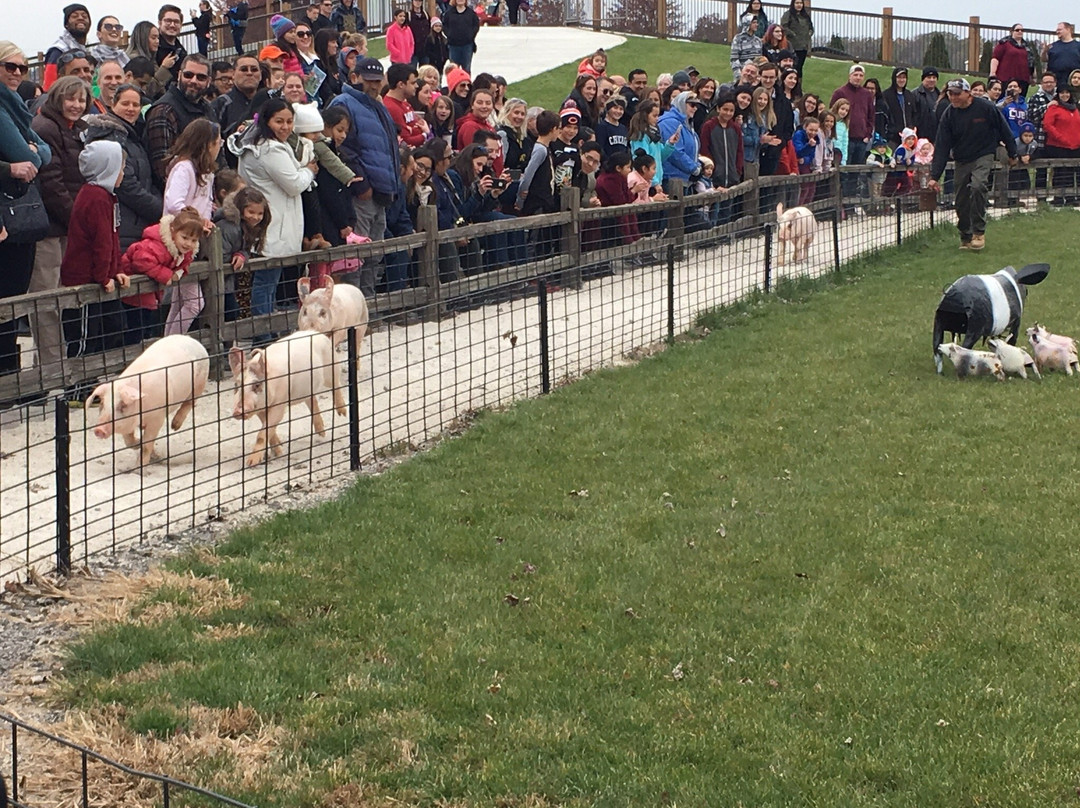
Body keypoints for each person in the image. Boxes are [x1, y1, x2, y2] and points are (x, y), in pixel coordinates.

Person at [233, 98, 317, 317]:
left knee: (270, 281)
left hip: (274, 221)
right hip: (272, 223)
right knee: (265, 281)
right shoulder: (269, 149)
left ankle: (266, 328)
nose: (285, 127)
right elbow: (294, 184)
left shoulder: (265, 144)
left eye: (289, 121)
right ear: (266, 121)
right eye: (279, 121)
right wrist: (309, 171)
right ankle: (262, 331)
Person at [30, 75, 90, 371]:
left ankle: (59, 363)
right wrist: (77, 220)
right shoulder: (45, 127)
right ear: (57, 98)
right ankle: (51, 369)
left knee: (65, 298)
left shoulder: (79, 129)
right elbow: (51, 183)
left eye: (81, 99)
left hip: (69, 225)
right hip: (50, 228)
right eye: (71, 98)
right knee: (46, 300)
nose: (77, 105)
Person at [0, 41, 51, 376]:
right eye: (9, 66)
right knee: (6, 301)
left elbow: (40, 152)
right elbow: (30, 154)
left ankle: (9, 381)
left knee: (13, 300)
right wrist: (26, 156)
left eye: (22, 67)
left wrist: (33, 152)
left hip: (19, 217)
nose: (17, 73)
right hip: (7, 217)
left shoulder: (15, 105)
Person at [330, 57, 401, 295]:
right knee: (356, 257)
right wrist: (361, 183)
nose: (374, 85)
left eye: (378, 81)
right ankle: (353, 307)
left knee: (374, 254)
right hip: (362, 191)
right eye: (369, 80)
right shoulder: (345, 102)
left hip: (382, 191)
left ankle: (369, 306)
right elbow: (342, 146)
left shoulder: (377, 105)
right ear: (354, 78)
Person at [927, 79, 1017, 251]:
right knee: (961, 199)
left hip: (984, 154)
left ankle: (978, 231)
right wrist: (934, 176)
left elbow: (1004, 129)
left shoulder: (985, 108)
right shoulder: (949, 115)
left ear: (968, 93)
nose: (953, 97)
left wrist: (1012, 153)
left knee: (977, 186)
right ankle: (965, 235)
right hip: (962, 158)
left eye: (957, 93)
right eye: (950, 94)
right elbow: (942, 146)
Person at [60, 139, 130, 353]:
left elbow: (112, 237)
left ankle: (92, 381)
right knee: (84, 338)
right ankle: (78, 385)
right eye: (121, 168)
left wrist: (116, 269)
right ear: (108, 169)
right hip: (85, 277)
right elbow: (101, 241)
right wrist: (103, 275)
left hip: (99, 275)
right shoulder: (96, 198)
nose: (123, 174)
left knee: (112, 328)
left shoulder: (107, 197)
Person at [162, 118, 220, 333]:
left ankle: (168, 344)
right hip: (181, 241)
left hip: (195, 242)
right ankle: (172, 348)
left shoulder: (206, 172)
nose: (220, 144)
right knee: (195, 303)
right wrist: (197, 220)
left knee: (180, 301)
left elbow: (203, 201)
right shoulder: (184, 168)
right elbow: (174, 202)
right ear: (207, 144)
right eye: (217, 140)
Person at [119, 208, 203, 334]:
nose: (188, 243)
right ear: (173, 231)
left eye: (193, 240)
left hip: (149, 292)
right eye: (184, 237)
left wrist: (180, 272)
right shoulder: (158, 246)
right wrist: (167, 275)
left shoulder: (181, 251)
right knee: (137, 329)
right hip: (133, 290)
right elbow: (141, 260)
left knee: (146, 328)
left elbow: (184, 263)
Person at [146, 54, 216, 188]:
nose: (194, 81)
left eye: (201, 77)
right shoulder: (163, 111)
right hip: (180, 196)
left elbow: (218, 157)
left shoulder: (209, 109)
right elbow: (162, 167)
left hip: (207, 190)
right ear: (179, 75)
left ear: (208, 81)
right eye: (188, 75)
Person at [831, 64, 875, 212]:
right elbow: (832, 114)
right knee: (844, 171)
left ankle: (851, 204)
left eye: (861, 75)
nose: (858, 78)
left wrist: (868, 134)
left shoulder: (866, 94)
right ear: (850, 75)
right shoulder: (840, 92)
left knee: (856, 173)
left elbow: (871, 116)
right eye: (855, 75)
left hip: (861, 139)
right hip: (844, 139)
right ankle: (841, 204)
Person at [1043, 85, 1080, 205]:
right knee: (1060, 172)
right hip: (1058, 145)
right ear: (1058, 94)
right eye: (1062, 93)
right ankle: (1058, 197)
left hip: (1075, 145)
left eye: (1067, 93)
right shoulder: (1054, 108)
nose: (1065, 95)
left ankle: (1072, 197)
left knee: (1073, 171)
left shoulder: (1075, 109)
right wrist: (1060, 137)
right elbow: (1048, 125)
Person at [43, 3, 91, 89]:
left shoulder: (85, 50)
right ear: (66, 24)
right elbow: (49, 85)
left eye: (84, 16)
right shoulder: (58, 50)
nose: (80, 18)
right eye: (74, 16)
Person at [383, 63, 428, 146]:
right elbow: (406, 141)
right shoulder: (391, 108)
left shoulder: (404, 102)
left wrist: (415, 131)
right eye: (413, 83)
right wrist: (425, 134)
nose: (417, 86)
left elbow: (418, 125)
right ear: (401, 84)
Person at [990, 23, 1034, 97]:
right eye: (1017, 30)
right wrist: (993, 73)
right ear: (1012, 32)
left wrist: (1032, 77)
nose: (1020, 31)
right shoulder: (1004, 43)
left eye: (1022, 30)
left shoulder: (1027, 46)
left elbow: (1031, 62)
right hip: (1005, 78)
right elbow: (995, 58)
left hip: (1023, 79)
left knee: (1020, 99)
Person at [444, 0, 480, 73]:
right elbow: (444, 26)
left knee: (466, 69)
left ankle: (466, 84)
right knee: (453, 70)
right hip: (453, 45)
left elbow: (476, 25)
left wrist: (471, 35)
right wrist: (449, 34)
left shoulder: (471, 13)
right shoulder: (449, 13)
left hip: (467, 45)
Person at [156, 5, 189, 83]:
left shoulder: (182, 52)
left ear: (181, 25)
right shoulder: (152, 48)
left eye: (176, 22)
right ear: (160, 23)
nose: (172, 25)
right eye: (168, 21)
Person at [780, 0, 813, 75]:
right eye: (797, 3)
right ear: (793, 4)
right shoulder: (788, 14)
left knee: (800, 68)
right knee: (792, 67)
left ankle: (798, 85)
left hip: (803, 46)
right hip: (792, 46)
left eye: (801, 3)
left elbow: (811, 27)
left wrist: (809, 33)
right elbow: (784, 27)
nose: (799, 5)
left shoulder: (805, 16)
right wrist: (792, 34)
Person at [1045, 22, 1080, 89]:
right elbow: (1044, 59)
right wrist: (1044, 52)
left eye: (1059, 29)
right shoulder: (1053, 46)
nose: (1057, 32)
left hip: (1074, 81)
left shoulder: (1078, 46)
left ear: (1068, 29)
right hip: (1056, 80)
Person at [730, 17, 763, 84]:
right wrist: (738, 76)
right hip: (743, 75)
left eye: (757, 22)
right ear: (747, 23)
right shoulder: (738, 39)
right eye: (754, 22)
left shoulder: (758, 40)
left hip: (755, 78)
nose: (756, 24)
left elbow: (760, 60)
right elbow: (734, 59)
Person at [913, 66, 940, 142]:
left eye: (934, 77)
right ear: (923, 79)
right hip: (920, 137)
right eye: (929, 77)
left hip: (936, 137)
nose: (931, 80)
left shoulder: (940, 95)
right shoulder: (915, 94)